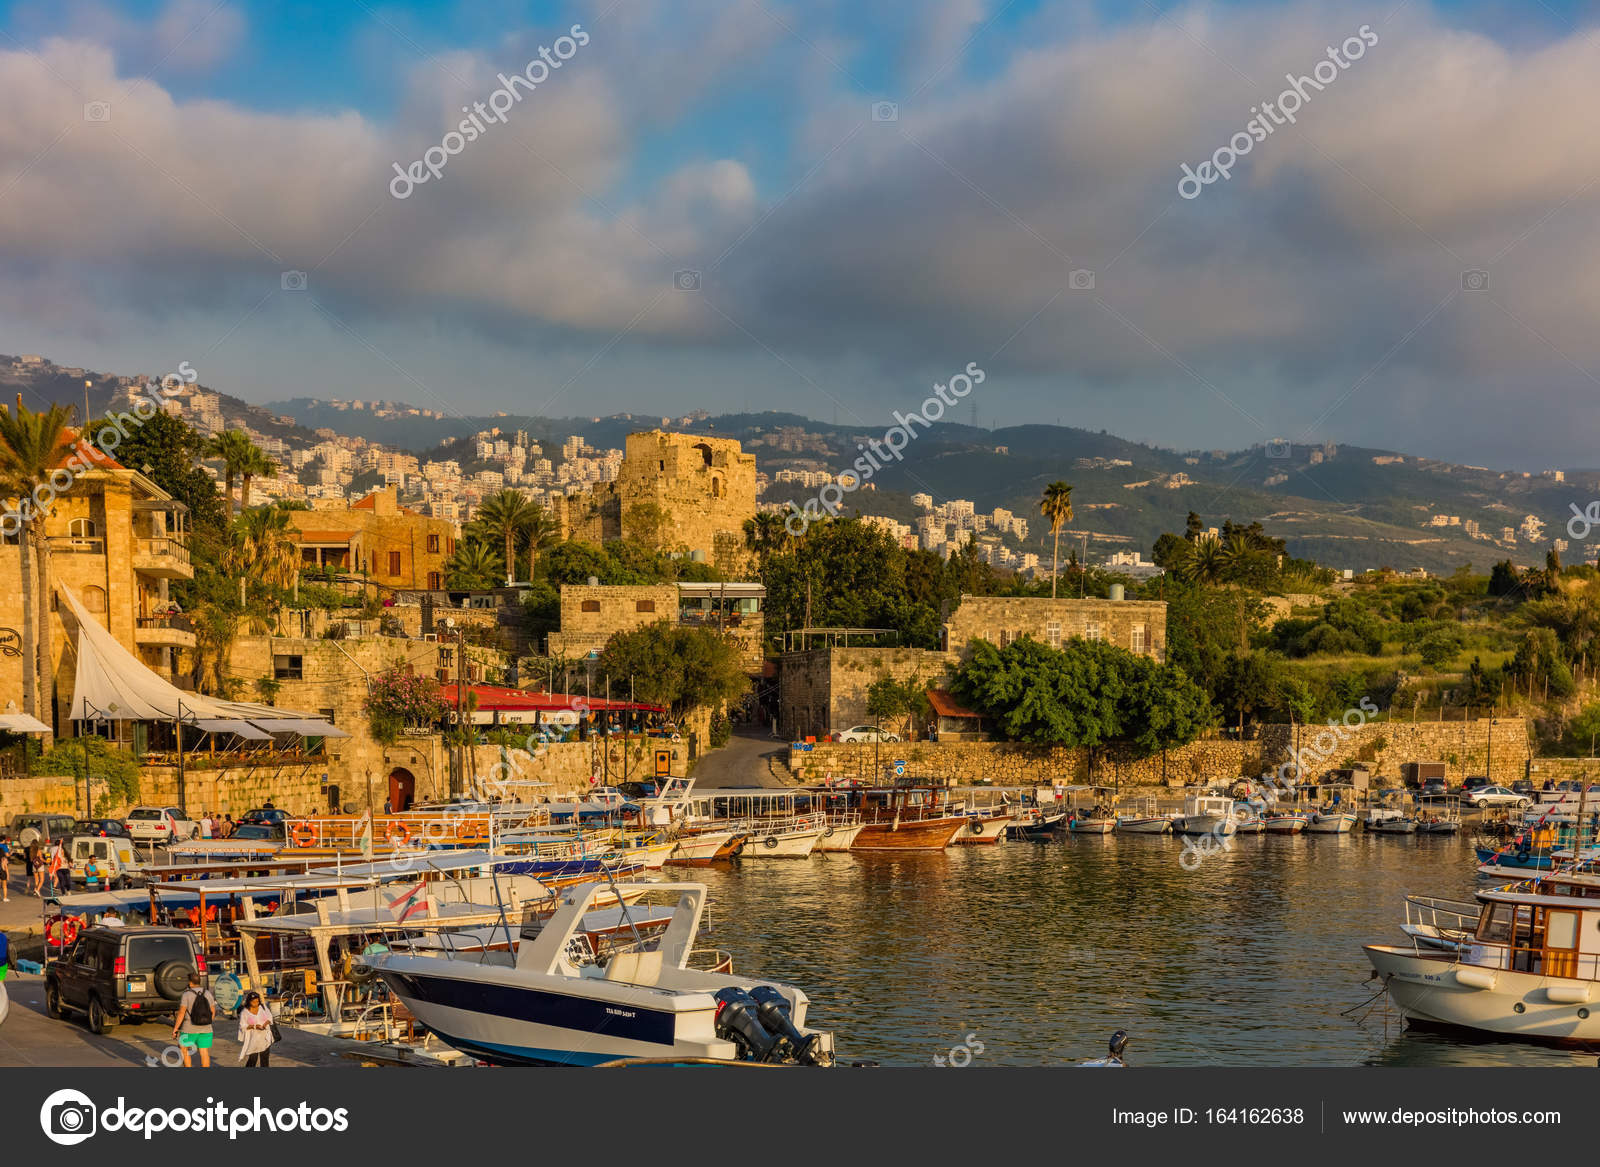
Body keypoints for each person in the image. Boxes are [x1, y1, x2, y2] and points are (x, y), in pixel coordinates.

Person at [172, 972, 217, 1068]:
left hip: (189, 1029)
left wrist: (175, 1028)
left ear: (190, 982)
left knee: (184, 1049)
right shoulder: (208, 993)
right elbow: (213, 1011)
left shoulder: (186, 995)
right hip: (206, 1029)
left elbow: (181, 1013)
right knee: (204, 1052)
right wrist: (207, 1022)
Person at [236, 990, 276, 1067]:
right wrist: (254, 1026)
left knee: (265, 1060)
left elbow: (270, 1017)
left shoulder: (263, 1007)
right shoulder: (244, 1012)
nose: (256, 1003)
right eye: (253, 1002)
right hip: (253, 1040)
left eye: (257, 1001)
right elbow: (242, 1026)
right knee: (253, 1059)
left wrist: (265, 1023)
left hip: (265, 1038)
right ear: (249, 1001)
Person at [0, 833, 10, 903]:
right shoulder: (4, 846)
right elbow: (7, 855)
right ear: (3, 840)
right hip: (2, 867)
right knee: (4, 885)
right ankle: (5, 897)